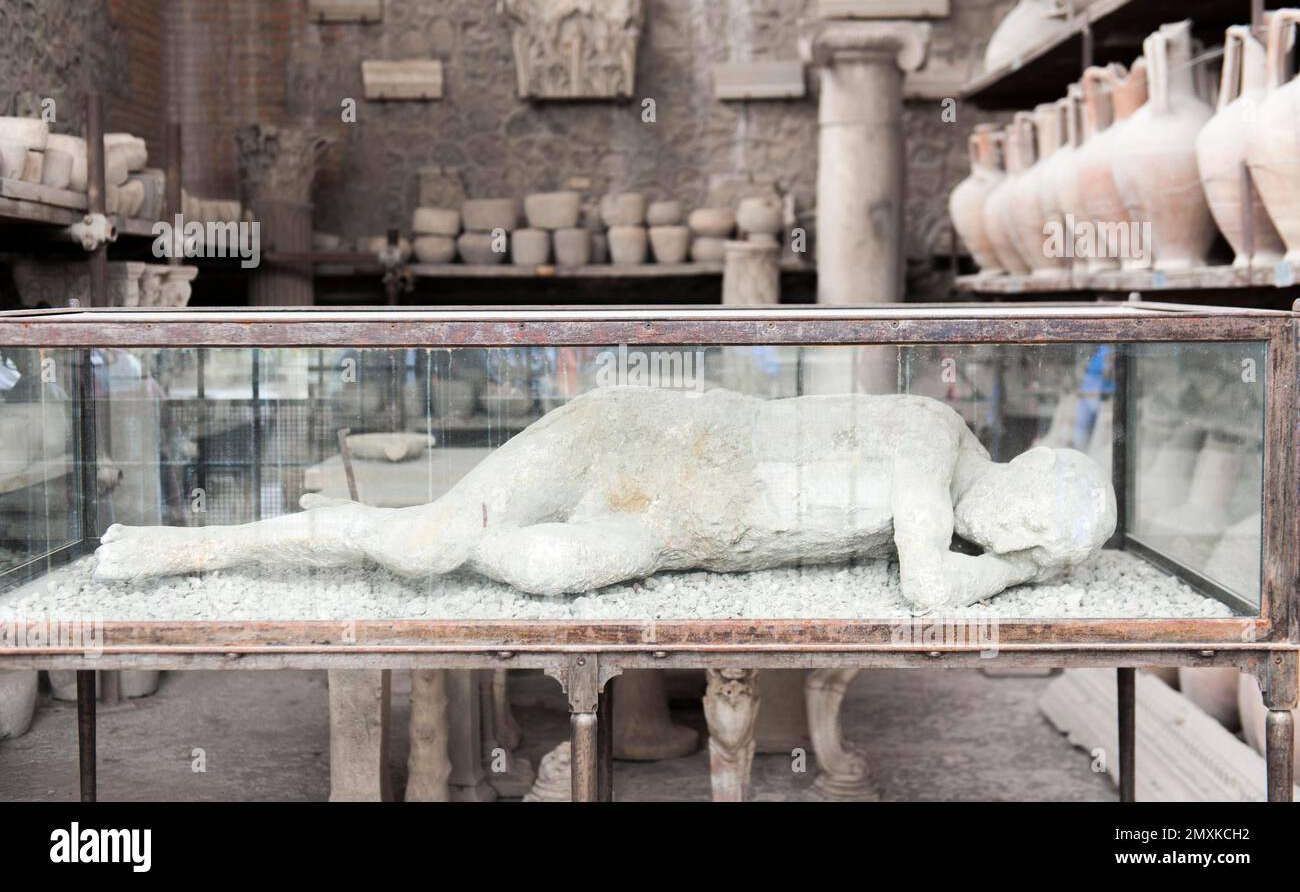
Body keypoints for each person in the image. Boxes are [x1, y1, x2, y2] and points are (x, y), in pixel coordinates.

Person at [95, 385, 1116, 610]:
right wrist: (1021, 569)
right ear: (1035, 463)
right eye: (1042, 511)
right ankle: (177, 550)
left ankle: (406, 532)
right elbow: (933, 590)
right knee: (422, 545)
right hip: (655, 438)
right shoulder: (931, 438)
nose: (1027, 534)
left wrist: (1035, 555)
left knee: (545, 570)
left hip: (671, 523)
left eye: (1052, 545)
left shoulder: (937, 493)